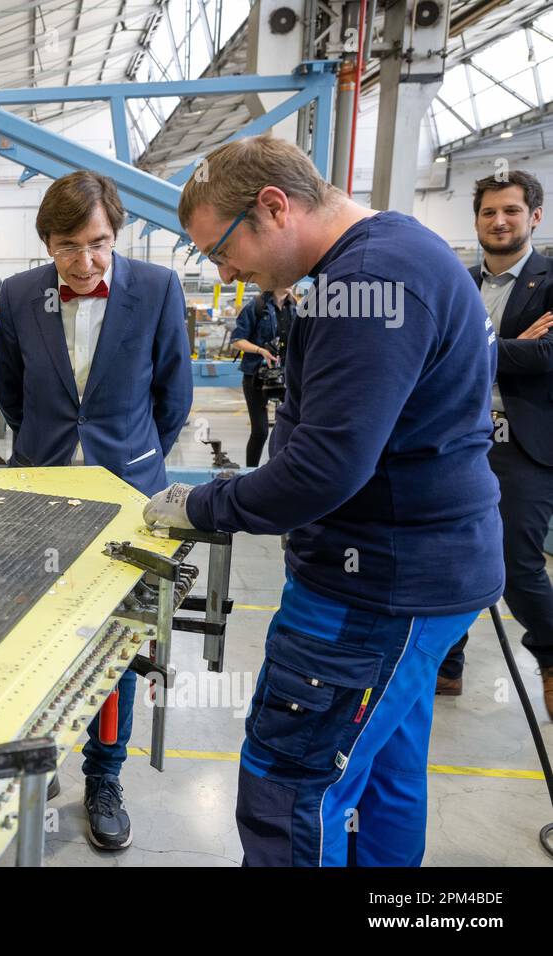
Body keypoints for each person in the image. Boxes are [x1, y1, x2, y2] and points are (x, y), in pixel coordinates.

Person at [145, 135, 502, 866]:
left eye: (221, 249)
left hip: (372, 591)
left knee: (292, 786)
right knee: (383, 777)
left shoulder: (369, 281)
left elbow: (322, 469)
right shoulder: (389, 255)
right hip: (422, 575)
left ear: (272, 207)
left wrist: (200, 506)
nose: (227, 272)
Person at [0, 170, 193, 851]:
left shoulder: (158, 289)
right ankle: (39, 751)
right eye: (67, 247)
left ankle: (105, 775)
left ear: (119, 232)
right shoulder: (18, 296)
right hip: (44, 495)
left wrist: (131, 465)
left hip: (131, 503)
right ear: (46, 242)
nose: (85, 262)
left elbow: (174, 399)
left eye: (98, 243)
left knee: (117, 647)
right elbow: (13, 396)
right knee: (35, 635)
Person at [435, 171, 553, 716]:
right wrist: (508, 348)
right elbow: (430, 355)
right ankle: (447, 664)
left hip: (523, 443)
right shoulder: (455, 281)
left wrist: (478, 349)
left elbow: (547, 357)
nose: (499, 221)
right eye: (488, 212)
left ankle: (550, 656)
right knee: (448, 555)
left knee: (516, 562)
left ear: (534, 217)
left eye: (510, 211)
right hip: (458, 436)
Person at [230, 287, 296, 466]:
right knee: (260, 431)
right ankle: (250, 473)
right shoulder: (257, 306)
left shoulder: (296, 308)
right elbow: (237, 340)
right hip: (256, 377)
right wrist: (261, 351)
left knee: (289, 429)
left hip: (286, 377)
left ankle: (279, 471)